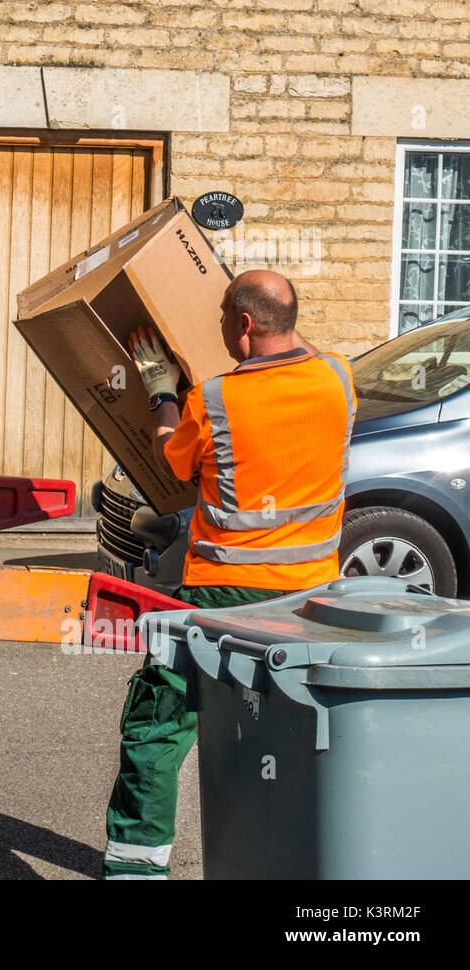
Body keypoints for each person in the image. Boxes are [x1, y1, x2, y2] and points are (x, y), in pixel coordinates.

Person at [103, 269, 355, 879]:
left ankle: (136, 870)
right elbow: (304, 351)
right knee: (292, 728)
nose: (217, 324)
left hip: (222, 592)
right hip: (313, 593)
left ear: (243, 325)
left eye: (222, 315)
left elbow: (172, 455)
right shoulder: (339, 379)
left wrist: (162, 389)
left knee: (158, 722)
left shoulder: (213, 400)